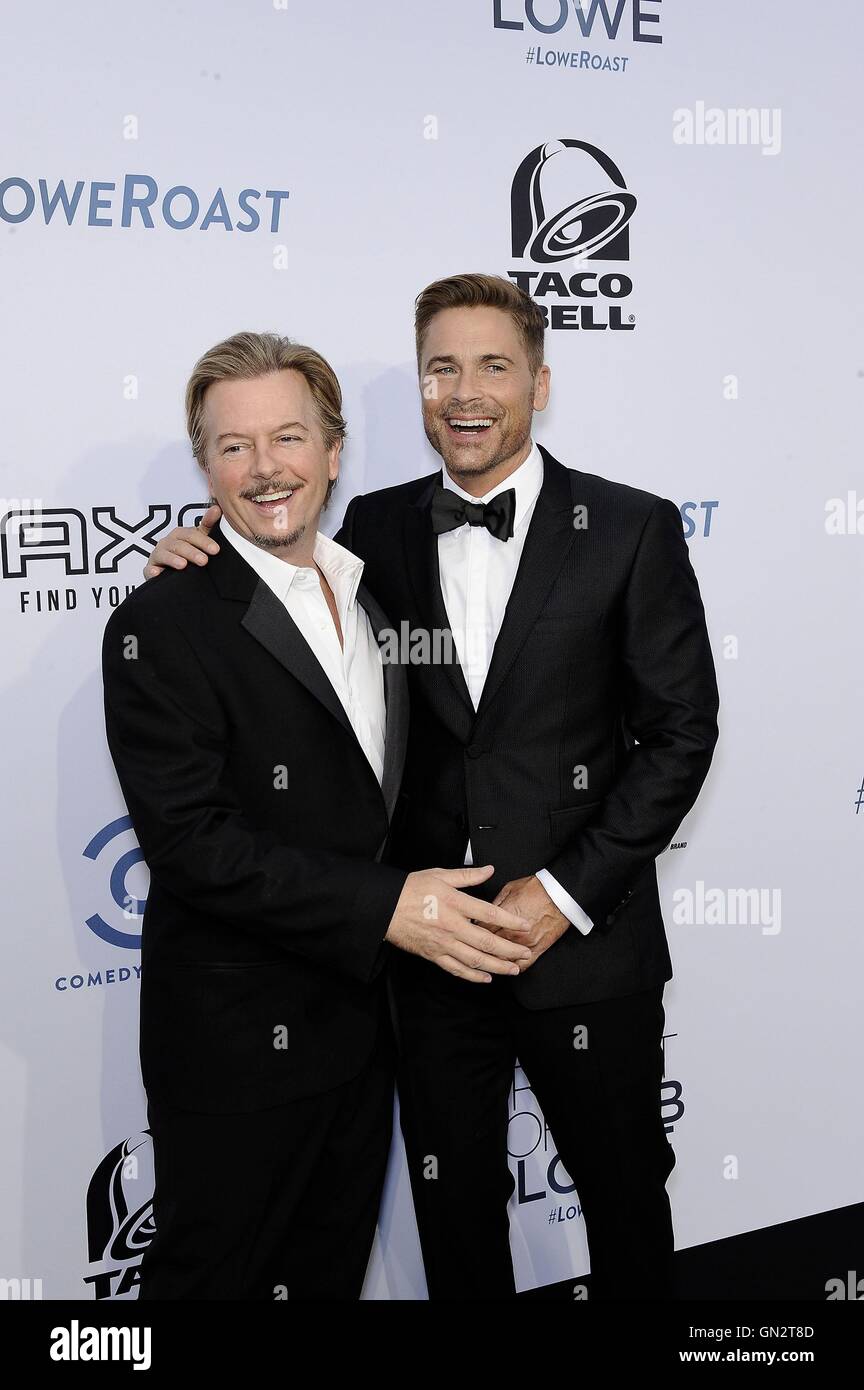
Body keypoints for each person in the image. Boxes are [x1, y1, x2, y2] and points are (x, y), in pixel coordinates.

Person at [146, 277, 720, 1299]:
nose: (465, 391)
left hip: (585, 946)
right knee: (455, 1216)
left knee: (629, 1200)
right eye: (441, 367)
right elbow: (272, 568)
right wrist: (198, 546)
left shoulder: (632, 529)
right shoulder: (367, 529)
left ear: (539, 382)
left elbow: (679, 737)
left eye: (493, 365)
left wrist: (561, 895)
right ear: (417, 387)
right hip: (425, 952)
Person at [102, 330, 530, 1300]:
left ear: (333, 452)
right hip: (238, 1041)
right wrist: (387, 906)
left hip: (365, 1023)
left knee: (327, 1275)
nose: (264, 470)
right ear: (205, 465)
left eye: (288, 438)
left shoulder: (377, 592)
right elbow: (191, 843)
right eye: (234, 447)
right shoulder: (161, 623)